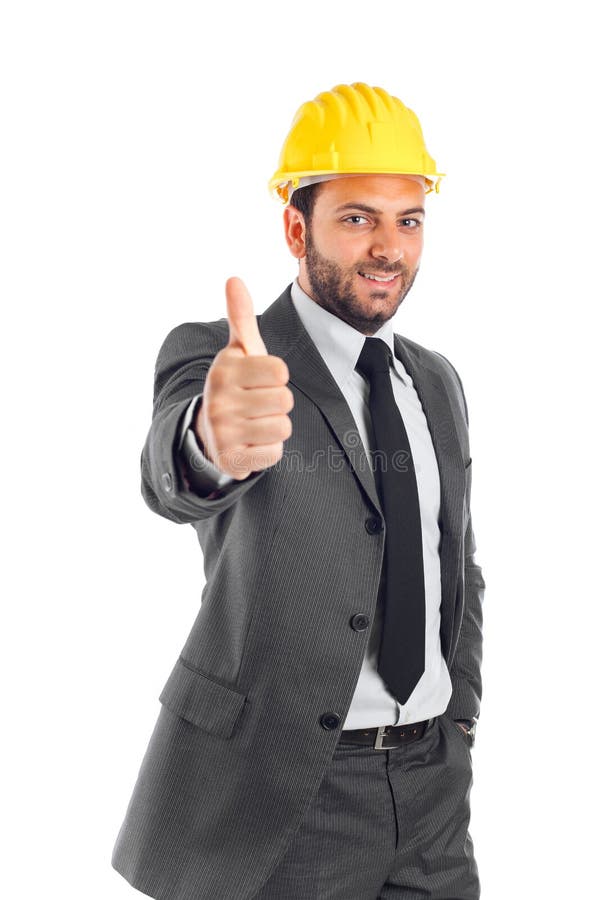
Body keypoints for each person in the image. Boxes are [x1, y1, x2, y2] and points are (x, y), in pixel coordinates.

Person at [111, 81, 486, 900]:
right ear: (296, 228)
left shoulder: (436, 380)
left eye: (409, 220)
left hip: (433, 792)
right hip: (293, 795)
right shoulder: (226, 357)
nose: (388, 247)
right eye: (357, 218)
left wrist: (460, 712)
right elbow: (174, 475)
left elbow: (454, 557)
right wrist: (212, 442)